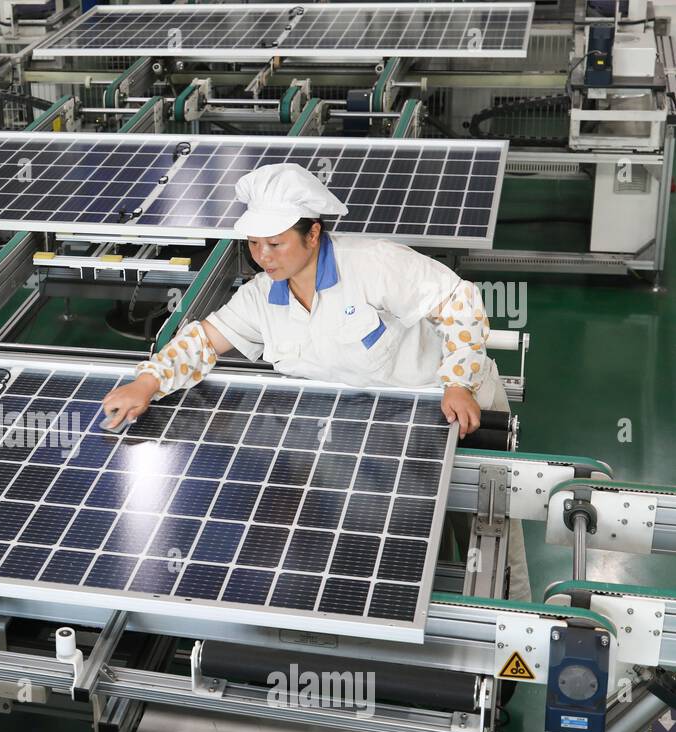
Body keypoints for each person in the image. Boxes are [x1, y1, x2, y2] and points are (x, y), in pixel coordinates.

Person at [100, 163, 530, 602]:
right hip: (364, 438)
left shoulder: (372, 264)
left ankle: (511, 620)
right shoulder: (261, 297)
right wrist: (149, 381)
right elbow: (204, 340)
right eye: (253, 244)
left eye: (274, 243)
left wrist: (457, 382)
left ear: (313, 234)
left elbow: (459, 301)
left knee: (492, 537)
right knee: (405, 551)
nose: (263, 256)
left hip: (450, 413)